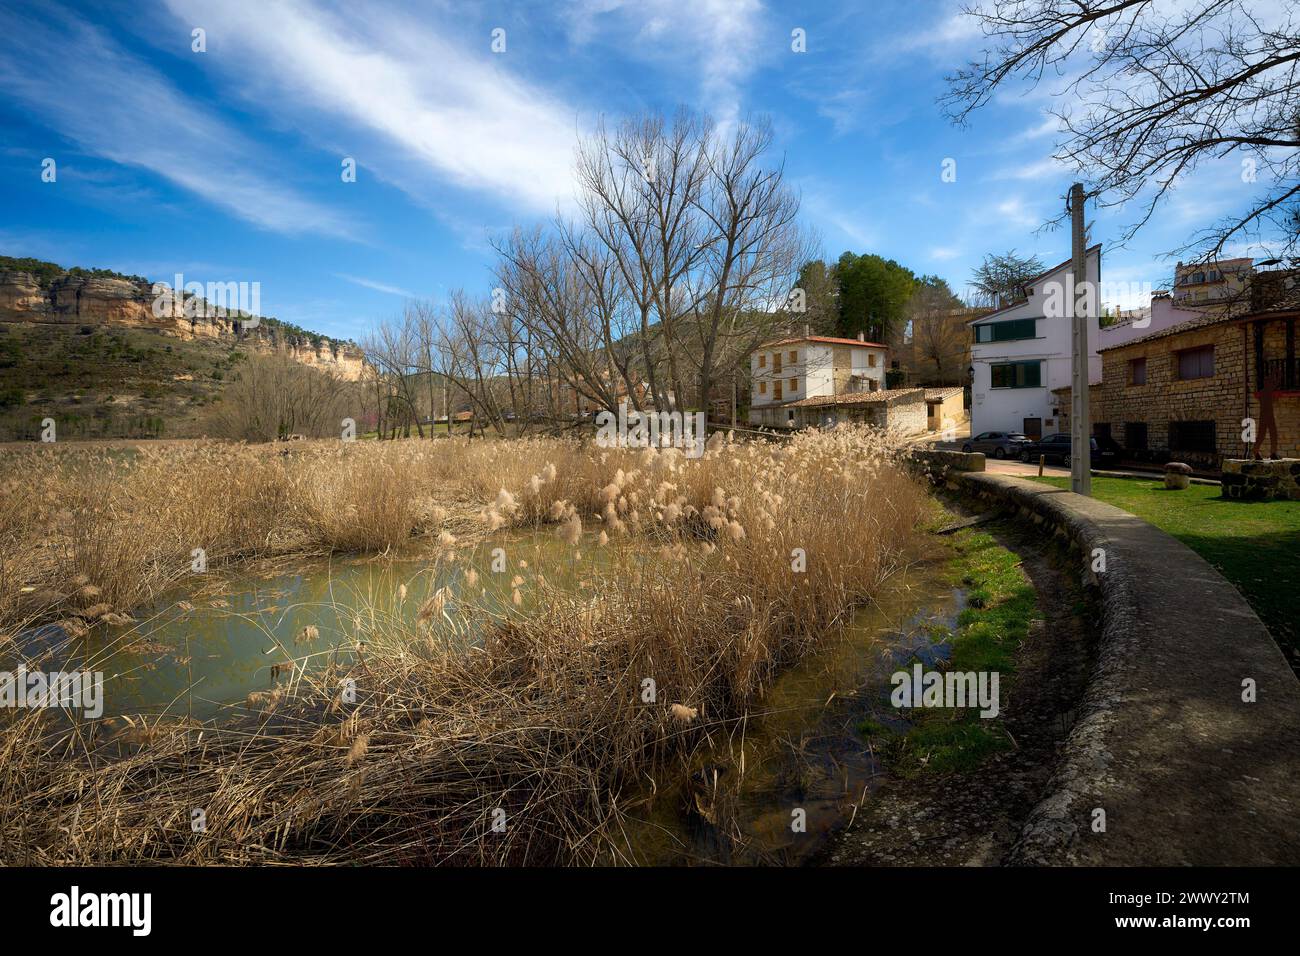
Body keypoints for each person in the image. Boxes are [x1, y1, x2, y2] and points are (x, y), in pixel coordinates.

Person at [1253, 367, 1282, 460]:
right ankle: (1272, 453)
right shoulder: (1268, 391)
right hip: (1268, 416)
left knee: (1262, 435)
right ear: (1267, 383)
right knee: (1273, 434)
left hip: (1263, 416)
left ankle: (1257, 451)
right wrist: (1276, 373)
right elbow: (1277, 382)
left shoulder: (1262, 392)